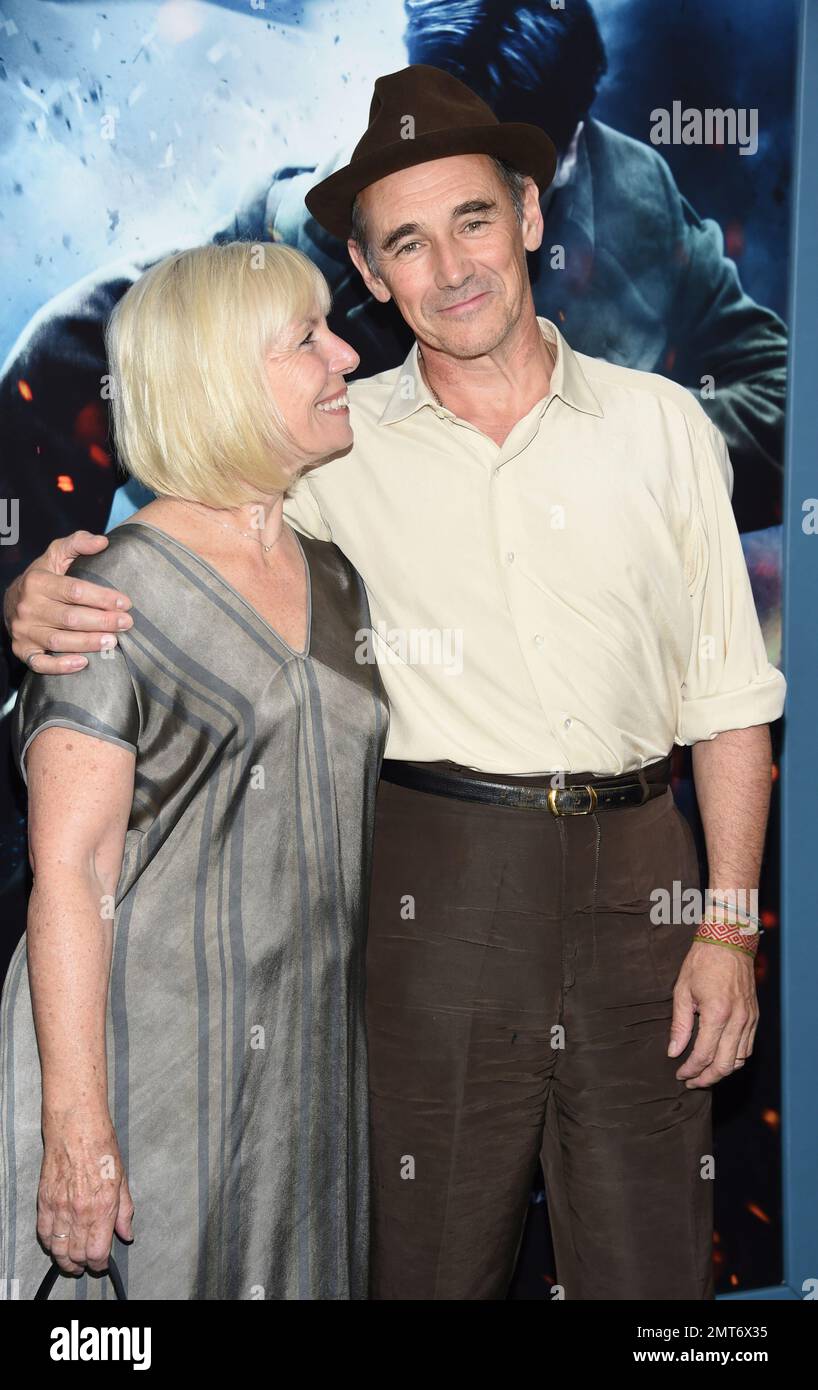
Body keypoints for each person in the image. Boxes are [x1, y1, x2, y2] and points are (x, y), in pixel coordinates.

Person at [5, 66, 786, 1300]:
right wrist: (36, 590)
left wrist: (728, 925)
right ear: (369, 274)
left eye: (473, 220)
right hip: (434, 889)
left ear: (529, 216)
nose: (452, 267)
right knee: (421, 1267)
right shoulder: (328, 443)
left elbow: (729, 700)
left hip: (647, 882)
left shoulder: (661, 428)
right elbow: (173, 541)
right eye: (406, 245)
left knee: (653, 1281)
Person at [0, 240, 388, 1300]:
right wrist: (78, 1132)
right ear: (220, 379)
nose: (346, 354)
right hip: (147, 1076)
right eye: (305, 338)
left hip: (310, 1080)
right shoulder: (106, 593)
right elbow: (69, 875)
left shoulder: (339, 579)